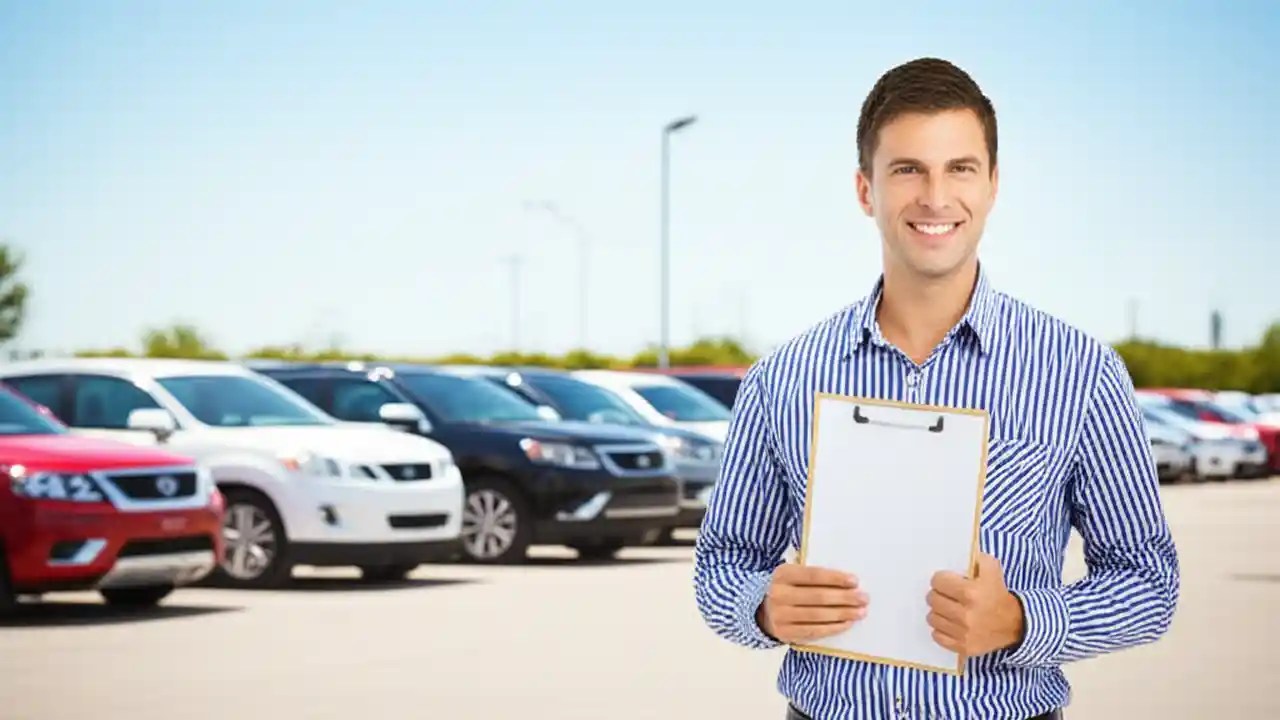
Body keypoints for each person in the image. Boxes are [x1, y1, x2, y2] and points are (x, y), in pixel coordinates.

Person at [692, 57, 1180, 720]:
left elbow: (1148, 586)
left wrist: (1022, 621)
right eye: (907, 170)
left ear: (993, 184)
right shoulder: (782, 379)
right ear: (866, 190)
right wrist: (763, 607)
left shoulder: (1081, 372)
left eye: (960, 168)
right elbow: (722, 564)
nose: (935, 196)